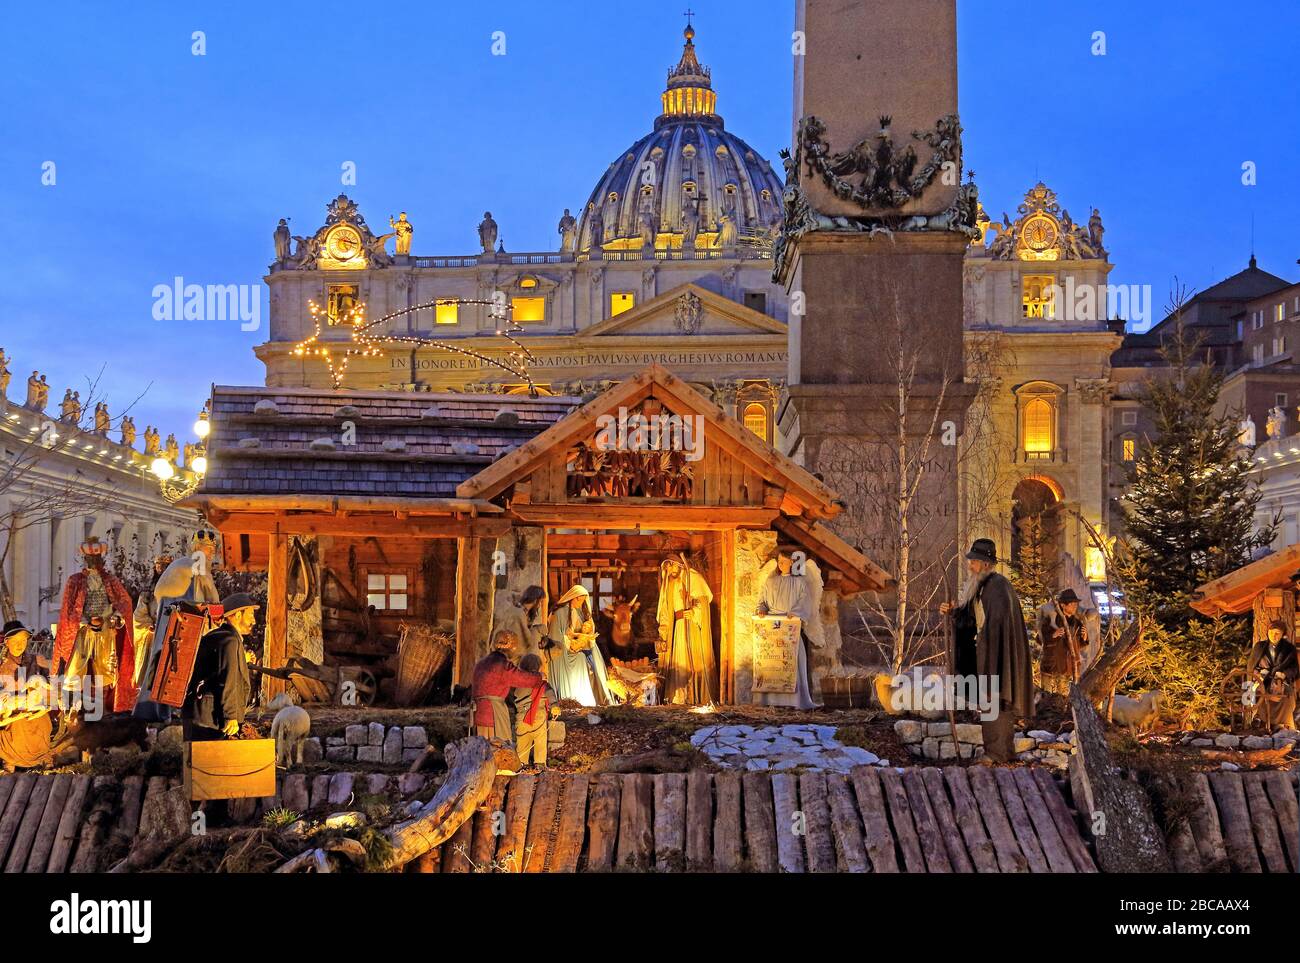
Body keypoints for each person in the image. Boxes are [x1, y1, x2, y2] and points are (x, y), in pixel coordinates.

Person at [940, 539, 1034, 763]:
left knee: (997, 702)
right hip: (988, 654)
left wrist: (985, 645)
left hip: (997, 656)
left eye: (973, 561)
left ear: (984, 564)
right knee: (992, 703)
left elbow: (997, 626)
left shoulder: (998, 586)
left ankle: (996, 753)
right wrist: (953, 612)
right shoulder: (982, 585)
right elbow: (972, 619)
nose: (970, 565)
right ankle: (1000, 752)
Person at [134, 531, 221, 721]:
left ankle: (154, 711)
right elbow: (211, 599)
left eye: (213, 550)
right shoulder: (197, 565)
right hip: (184, 626)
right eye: (209, 549)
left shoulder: (178, 564)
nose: (211, 554)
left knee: (161, 665)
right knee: (179, 669)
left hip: (166, 622)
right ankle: (174, 713)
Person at [54, 537, 134, 713]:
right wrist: (85, 621)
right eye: (90, 559)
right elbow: (68, 609)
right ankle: (70, 712)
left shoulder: (110, 580)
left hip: (105, 630)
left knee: (104, 669)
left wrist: (115, 617)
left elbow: (125, 602)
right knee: (74, 668)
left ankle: (101, 712)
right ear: (85, 559)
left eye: (97, 559)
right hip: (81, 631)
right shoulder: (75, 581)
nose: (94, 562)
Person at [182, 593, 257, 741]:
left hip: (199, 714)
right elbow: (228, 679)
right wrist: (231, 716)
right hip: (211, 719)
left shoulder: (219, 636)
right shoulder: (230, 641)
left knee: (195, 761)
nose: (254, 620)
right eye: (250, 614)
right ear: (236, 615)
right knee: (209, 762)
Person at [754, 548, 819, 710]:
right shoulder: (770, 582)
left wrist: (794, 613)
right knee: (773, 663)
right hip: (773, 628)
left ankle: (794, 701)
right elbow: (762, 601)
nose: (781, 564)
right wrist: (762, 610)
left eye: (784, 561)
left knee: (792, 663)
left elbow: (805, 602)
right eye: (779, 561)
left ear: (792, 563)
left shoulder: (799, 583)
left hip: (790, 629)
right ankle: (772, 699)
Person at [658, 555, 717, 706]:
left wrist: (695, 611)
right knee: (679, 659)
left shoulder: (693, 577)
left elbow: (703, 600)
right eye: (666, 569)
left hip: (692, 626)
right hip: (677, 626)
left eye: (670, 567)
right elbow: (665, 610)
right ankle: (679, 696)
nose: (669, 571)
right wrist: (663, 631)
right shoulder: (669, 583)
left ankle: (694, 695)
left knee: (692, 660)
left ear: (677, 564)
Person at [0, 621, 56, 770]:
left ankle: (43, 757)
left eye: (23, 640)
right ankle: (10, 760)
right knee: (15, 725)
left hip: (36, 709)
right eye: (16, 641)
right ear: (7, 642)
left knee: (40, 722)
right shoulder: (1, 664)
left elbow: (51, 687)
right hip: (12, 713)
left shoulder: (38, 660)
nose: (20, 644)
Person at [471, 631, 545, 742]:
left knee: (480, 748)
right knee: (497, 749)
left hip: (478, 712)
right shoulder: (502, 665)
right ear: (511, 648)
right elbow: (521, 678)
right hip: (493, 714)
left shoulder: (481, 663)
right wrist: (539, 677)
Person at [545, 585, 612, 706]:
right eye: (578, 599)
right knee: (581, 659)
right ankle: (573, 696)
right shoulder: (561, 612)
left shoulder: (577, 612)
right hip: (562, 650)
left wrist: (586, 634)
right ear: (572, 597)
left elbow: (577, 630)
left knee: (593, 654)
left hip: (576, 646)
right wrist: (572, 642)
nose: (580, 603)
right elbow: (558, 635)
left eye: (582, 600)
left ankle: (597, 693)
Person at [1036, 588, 1088, 696]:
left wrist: (1084, 637)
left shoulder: (1077, 623)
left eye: (1076, 604)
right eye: (1072, 604)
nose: (1075, 606)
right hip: (1051, 666)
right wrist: (1053, 635)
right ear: (1063, 605)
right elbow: (1040, 639)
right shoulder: (1051, 621)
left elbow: (1079, 646)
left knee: (1063, 698)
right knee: (1046, 697)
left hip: (1067, 668)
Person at [1247, 619, 1298, 731]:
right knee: (1257, 691)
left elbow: (1295, 669)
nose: (1273, 636)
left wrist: (1284, 674)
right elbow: (1251, 666)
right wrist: (1257, 673)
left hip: (1280, 681)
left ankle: (1282, 723)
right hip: (1262, 679)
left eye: (1277, 633)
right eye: (1271, 633)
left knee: (1287, 695)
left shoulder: (1289, 649)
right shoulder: (1259, 647)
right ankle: (1259, 719)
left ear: (1282, 635)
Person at [513, 653, 556, 767]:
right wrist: (555, 706)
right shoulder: (540, 681)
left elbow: (511, 697)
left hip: (521, 717)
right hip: (538, 715)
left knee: (522, 743)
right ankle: (540, 763)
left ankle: (521, 764)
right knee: (540, 741)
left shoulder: (517, 682)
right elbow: (549, 692)